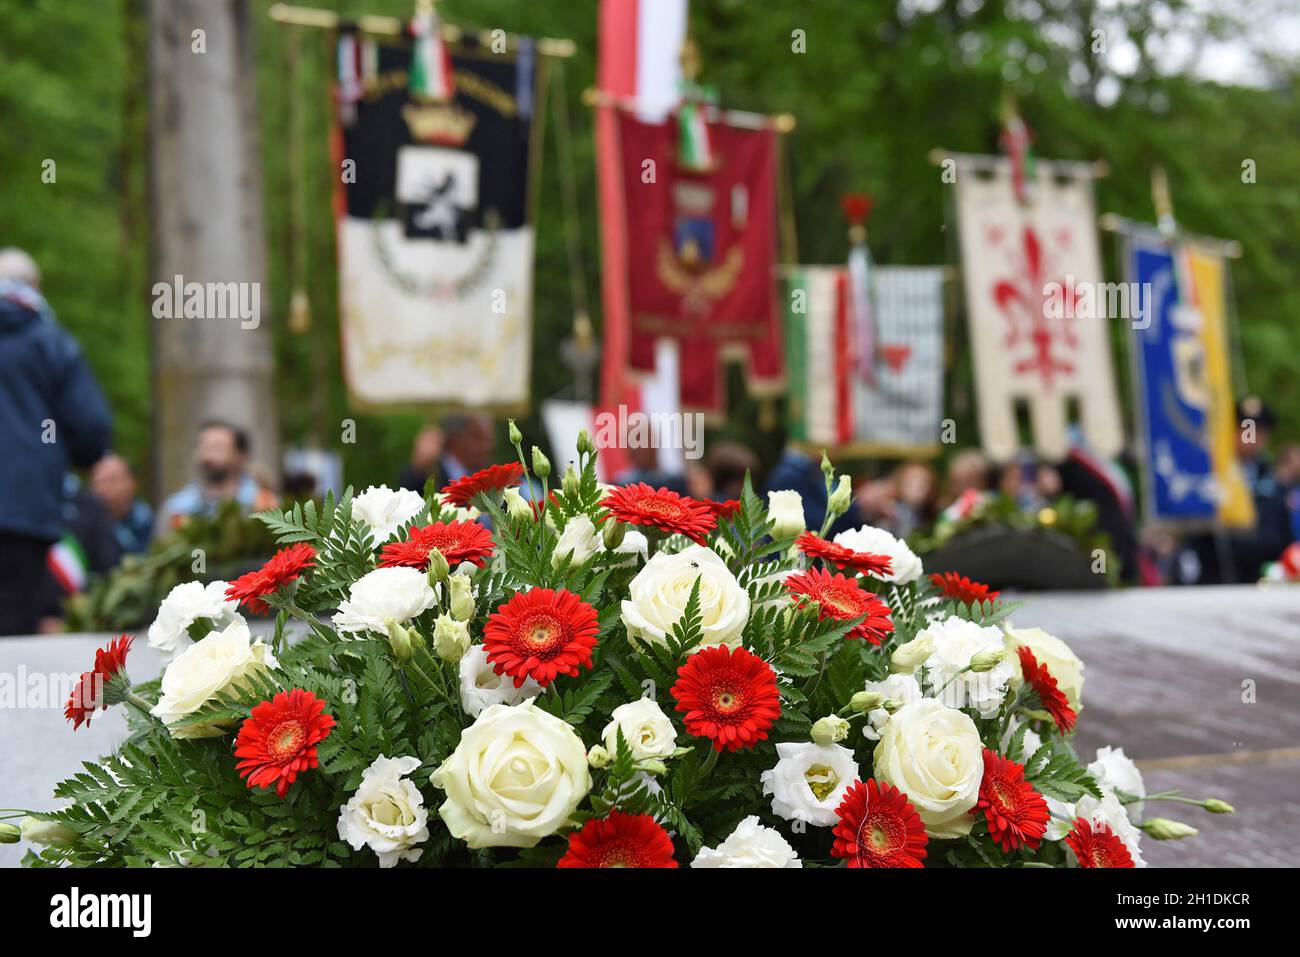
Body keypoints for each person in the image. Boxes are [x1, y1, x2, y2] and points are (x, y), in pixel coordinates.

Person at [0, 248, 112, 635]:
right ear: (34, 286)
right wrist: (82, 455)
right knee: (13, 635)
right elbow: (89, 425)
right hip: (24, 511)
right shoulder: (51, 342)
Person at [157, 420, 272, 531]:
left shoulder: (264, 506)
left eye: (217, 448)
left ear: (240, 456)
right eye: (202, 447)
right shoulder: (177, 508)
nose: (207, 456)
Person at [398, 414, 493, 492]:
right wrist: (418, 466)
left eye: (489, 439)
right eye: (478, 437)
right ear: (455, 438)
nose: (487, 446)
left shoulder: (492, 479)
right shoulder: (427, 473)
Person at [90, 452, 154, 555]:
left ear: (133, 483)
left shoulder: (145, 518)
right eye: (99, 482)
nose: (104, 488)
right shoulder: (85, 521)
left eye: (112, 480)